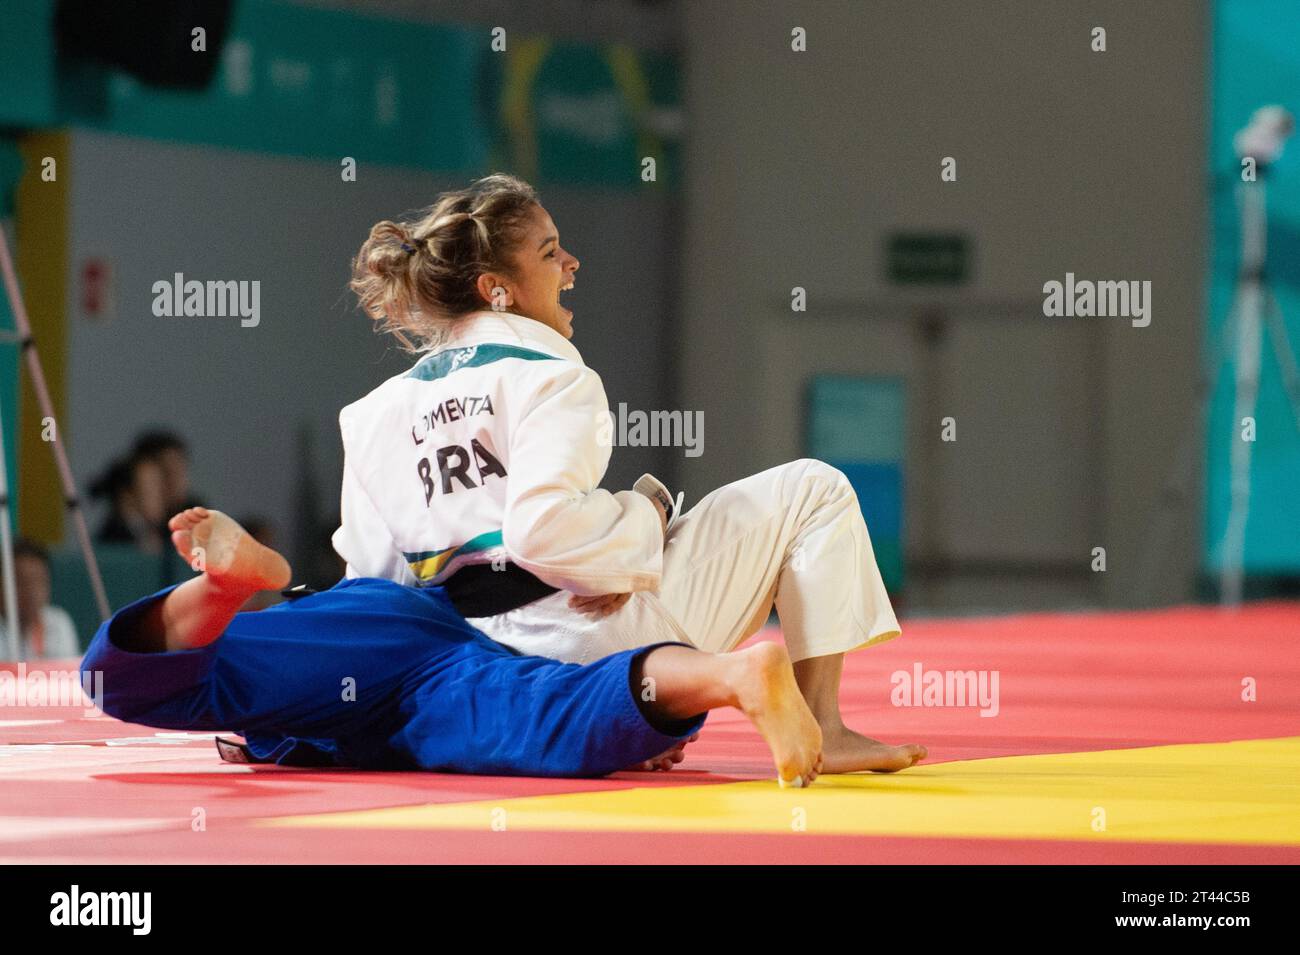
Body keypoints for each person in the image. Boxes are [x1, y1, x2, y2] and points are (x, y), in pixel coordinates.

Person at [337, 174, 926, 774]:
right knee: (813, 490)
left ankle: (623, 721)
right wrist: (640, 526)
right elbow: (542, 533)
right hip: (589, 642)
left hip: (482, 674)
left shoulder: (372, 414)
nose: (571, 262)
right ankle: (825, 728)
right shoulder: (551, 376)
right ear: (496, 290)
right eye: (548, 252)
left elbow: (372, 586)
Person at [80, 508, 824, 784]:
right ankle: (725, 673)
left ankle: (729, 675)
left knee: (125, 682)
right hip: (403, 617)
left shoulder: (392, 415)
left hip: (377, 648)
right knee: (554, 708)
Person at [0, 539, 79, 660]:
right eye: (21, 582)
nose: (32, 591)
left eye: (39, 581)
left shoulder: (58, 622)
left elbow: (67, 674)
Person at [91, 453, 168, 554]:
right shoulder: (112, 543)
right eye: (153, 487)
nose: (163, 494)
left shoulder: (160, 534)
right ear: (127, 495)